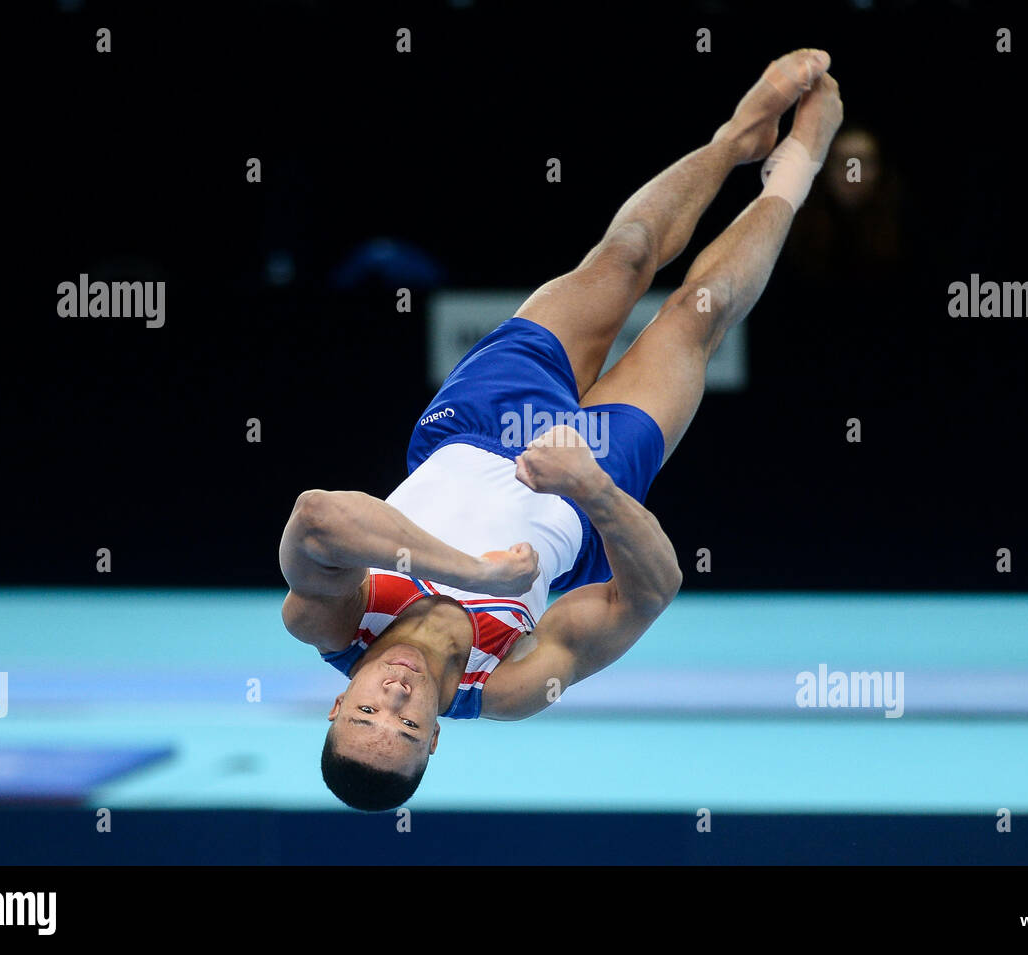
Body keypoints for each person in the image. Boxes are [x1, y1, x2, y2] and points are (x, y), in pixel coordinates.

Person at [278, 48, 844, 811]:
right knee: (696, 313)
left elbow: (317, 513)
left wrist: (478, 575)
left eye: (368, 710)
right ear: (435, 737)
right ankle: (796, 170)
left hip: (475, 421)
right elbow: (649, 594)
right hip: (584, 483)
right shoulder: (507, 683)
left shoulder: (327, 618)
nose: (396, 698)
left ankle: (737, 137)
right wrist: (595, 489)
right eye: (408, 727)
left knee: (626, 255)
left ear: (336, 704)